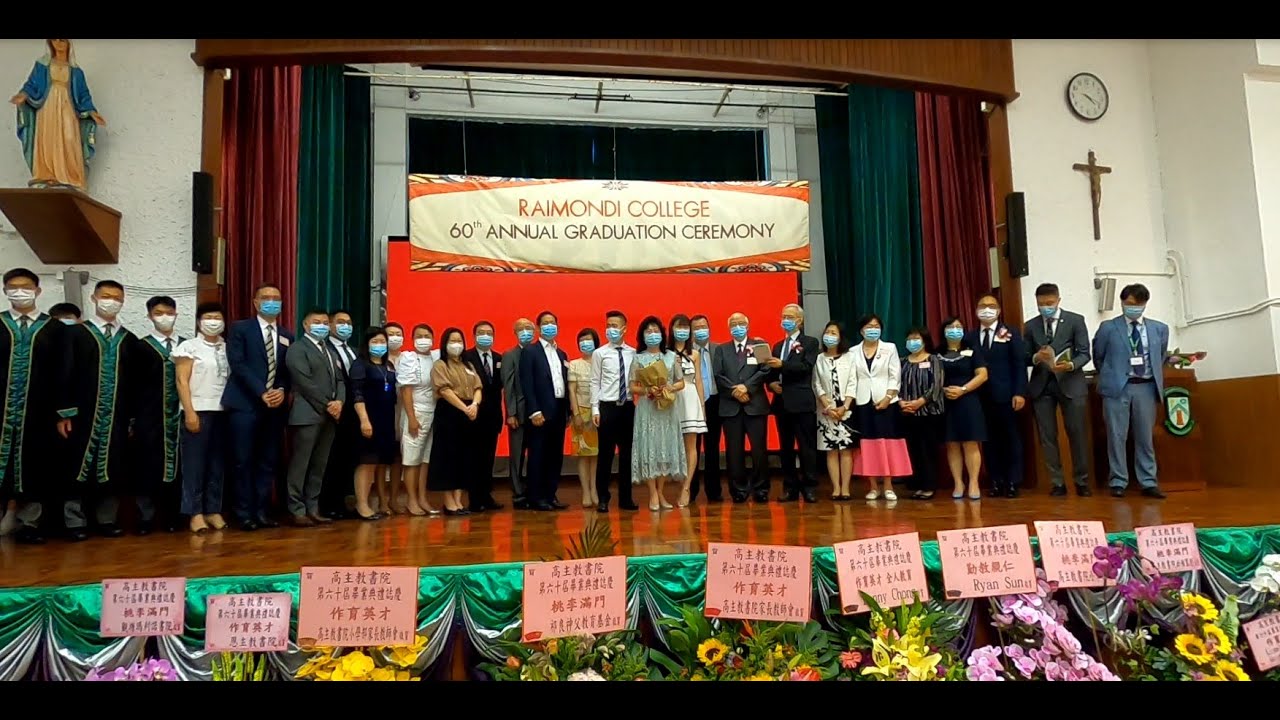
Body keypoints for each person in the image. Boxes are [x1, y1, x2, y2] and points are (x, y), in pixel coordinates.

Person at [0, 268, 74, 545]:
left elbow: (65, 371)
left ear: (37, 291)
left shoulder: (54, 329)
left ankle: (31, 521)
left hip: (40, 411)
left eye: (26, 286)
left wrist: (63, 413)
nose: (20, 291)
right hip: (3, 411)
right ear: (6, 290)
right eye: (13, 287)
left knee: (37, 466)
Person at [63, 279, 136, 540]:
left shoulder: (128, 340)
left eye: (117, 297)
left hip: (116, 415)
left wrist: (131, 419)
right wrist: (66, 412)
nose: (111, 301)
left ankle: (107, 519)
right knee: (76, 465)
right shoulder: (75, 335)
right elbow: (64, 374)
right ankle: (74, 521)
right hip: (83, 415)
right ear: (94, 298)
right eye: (106, 295)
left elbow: (134, 383)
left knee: (113, 467)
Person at [223, 282, 292, 531]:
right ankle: (243, 513)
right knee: (242, 460)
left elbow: (287, 370)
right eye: (266, 297)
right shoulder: (240, 329)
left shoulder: (287, 335)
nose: (272, 301)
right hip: (244, 404)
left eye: (276, 297)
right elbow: (238, 364)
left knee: (267, 461)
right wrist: (261, 392)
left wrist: (282, 390)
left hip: (274, 408)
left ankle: (262, 511)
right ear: (255, 302)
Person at [1093, 283, 1169, 499]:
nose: (1133, 308)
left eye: (1137, 305)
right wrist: (1112, 375)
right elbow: (1099, 355)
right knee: (1116, 436)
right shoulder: (1108, 328)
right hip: (1117, 388)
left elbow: (1160, 356)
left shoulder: (1159, 329)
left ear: (1145, 304)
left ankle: (1148, 482)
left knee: (1145, 437)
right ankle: (1118, 481)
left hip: (1145, 386)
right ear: (1122, 303)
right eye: (1128, 304)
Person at [1023, 283, 1093, 497]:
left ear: (1058, 300)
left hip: (1071, 382)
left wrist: (1070, 365)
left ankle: (1081, 481)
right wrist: (1036, 357)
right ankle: (1057, 482)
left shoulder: (1075, 320)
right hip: (1042, 385)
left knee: (1077, 433)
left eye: (1049, 303)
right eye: (1041, 304)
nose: (1045, 307)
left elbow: (1084, 353)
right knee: (1048, 436)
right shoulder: (1031, 325)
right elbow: (1025, 356)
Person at [9, 39, 106, 190]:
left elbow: (83, 94)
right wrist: (23, 95)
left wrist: (92, 112)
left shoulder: (76, 71)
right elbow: (31, 84)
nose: (58, 43)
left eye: (62, 40)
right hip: (47, 108)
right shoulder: (42, 66)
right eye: (54, 40)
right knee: (48, 138)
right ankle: (47, 176)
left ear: (68, 43)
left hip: (68, 108)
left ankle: (71, 177)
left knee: (69, 138)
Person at [172, 302, 230, 534]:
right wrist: (190, 411)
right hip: (197, 410)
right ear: (199, 321)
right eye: (208, 317)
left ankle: (213, 509)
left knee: (217, 464)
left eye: (217, 317)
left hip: (224, 411)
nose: (213, 321)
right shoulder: (189, 346)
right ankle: (194, 513)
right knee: (194, 465)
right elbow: (181, 380)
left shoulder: (228, 347)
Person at [284, 309, 345, 527]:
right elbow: (304, 382)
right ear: (305, 325)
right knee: (301, 464)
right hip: (307, 414)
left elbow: (339, 379)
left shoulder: (329, 350)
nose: (322, 326)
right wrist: (327, 404)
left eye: (325, 323)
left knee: (319, 464)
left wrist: (339, 401)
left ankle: (313, 507)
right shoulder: (298, 349)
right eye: (316, 322)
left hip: (330, 416)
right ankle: (296, 508)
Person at [131, 295, 186, 534]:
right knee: (146, 466)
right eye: (158, 313)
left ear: (176, 314)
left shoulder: (186, 345)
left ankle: (173, 515)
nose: (164, 317)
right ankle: (145, 517)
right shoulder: (140, 346)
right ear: (150, 316)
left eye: (168, 312)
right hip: (149, 417)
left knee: (179, 468)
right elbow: (131, 385)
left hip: (180, 416)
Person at [968, 294, 1028, 498]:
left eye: (991, 306)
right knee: (989, 441)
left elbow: (1019, 364)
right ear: (976, 310)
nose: (986, 309)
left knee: (1010, 439)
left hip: (1006, 395)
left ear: (999, 310)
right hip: (980, 397)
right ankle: (996, 481)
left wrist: (1019, 392)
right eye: (982, 306)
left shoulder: (1010, 332)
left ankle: (1012, 482)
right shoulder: (970, 336)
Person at [712, 312, 772, 503]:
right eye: (734, 324)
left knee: (759, 450)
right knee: (733, 451)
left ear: (748, 325)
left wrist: (747, 387)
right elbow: (718, 375)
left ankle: (761, 489)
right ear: (729, 328)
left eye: (741, 323)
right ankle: (738, 490)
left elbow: (766, 369)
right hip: (731, 407)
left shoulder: (760, 345)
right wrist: (735, 390)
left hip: (755, 405)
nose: (737, 327)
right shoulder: (721, 350)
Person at [851, 314, 912, 500]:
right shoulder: (853, 351)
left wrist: (888, 397)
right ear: (861, 330)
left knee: (887, 444)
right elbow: (852, 377)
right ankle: (872, 486)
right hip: (862, 401)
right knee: (867, 445)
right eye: (869, 326)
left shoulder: (889, 348)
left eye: (876, 326)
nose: (873, 329)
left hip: (887, 402)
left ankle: (888, 485)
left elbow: (896, 375)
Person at [629, 316, 686, 510]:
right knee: (649, 450)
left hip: (668, 409)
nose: (653, 335)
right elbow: (632, 387)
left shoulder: (671, 356)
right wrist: (647, 390)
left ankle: (661, 493)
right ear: (642, 335)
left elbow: (681, 381)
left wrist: (669, 387)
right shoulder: (638, 358)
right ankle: (652, 493)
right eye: (648, 331)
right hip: (647, 409)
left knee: (664, 451)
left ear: (662, 334)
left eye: (656, 331)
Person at [766, 303, 820, 504]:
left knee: (806, 446)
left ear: (799, 320)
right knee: (785, 448)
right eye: (783, 316)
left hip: (802, 402)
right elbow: (771, 373)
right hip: (782, 403)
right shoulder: (778, 346)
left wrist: (783, 365)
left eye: (789, 316)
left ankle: (810, 487)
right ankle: (790, 487)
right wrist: (771, 383)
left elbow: (806, 367)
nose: (785, 320)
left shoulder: (810, 342)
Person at [519, 310, 570, 512]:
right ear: (539, 327)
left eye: (553, 322)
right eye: (546, 323)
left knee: (555, 455)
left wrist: (567, 412)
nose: (550, 326)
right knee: (538, 454)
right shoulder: (530, 352)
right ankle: (536, 496)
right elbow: (527, 384)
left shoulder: (561, 354)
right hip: (540, 412)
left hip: (558, 410)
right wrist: (534, 411)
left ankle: (550, 494)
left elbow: (564, 383)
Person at [429, 328, 483, 515]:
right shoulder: (440, 365)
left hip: (470, 412)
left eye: (459, 340)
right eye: (452, 341)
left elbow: (478, 386)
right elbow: (444, 390)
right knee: (447, 457)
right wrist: (464, 408)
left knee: (465, 457)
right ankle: (449, 502)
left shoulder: (468, 364)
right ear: (445, 343)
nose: (456, 344)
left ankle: (459, 500)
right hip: (449, 413)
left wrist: (475, 404)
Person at [591, 310, 638, 513]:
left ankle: (626, 498)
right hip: (607, 407)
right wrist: (595, 408)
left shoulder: (634, 353)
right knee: (606, 455)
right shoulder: (599, 353)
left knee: (627, 455)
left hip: (627, 407)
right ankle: (603, 498)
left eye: (615, 325)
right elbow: (595, 381)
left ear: (624, 329)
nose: (611, 329)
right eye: (608, 325)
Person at [938, 317, 989, 500]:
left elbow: (982, 375)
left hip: (969, 400)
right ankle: (958, 482)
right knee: (952, 444)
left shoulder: (973, 351)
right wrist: (941, 389)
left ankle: (974, 482)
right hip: (945, 401)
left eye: (958, 327)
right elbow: (931, 377)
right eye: (950, 327)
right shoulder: (937, 353)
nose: (954, 330)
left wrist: (963, 390)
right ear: (944, 331)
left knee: (970, 443)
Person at [350, 328, 398, 520]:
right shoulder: (360, 364)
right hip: (368, 417)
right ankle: (361, 505)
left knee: (378, 462)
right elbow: (357, 393)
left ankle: (372, 503)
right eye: (375, 342)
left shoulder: (389, 366)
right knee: (366, 462)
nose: (379, 345)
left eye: (382, 342)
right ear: (367, 344)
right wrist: (364, 419)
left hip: (386, 419)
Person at [812, 321, 858, 501]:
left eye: (833, 332)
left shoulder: (850, 357)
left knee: (845, 450)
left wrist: (845, 406)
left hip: (846, 408)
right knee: (830, 450)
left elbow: (853, 382)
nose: (829, 335)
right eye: (827, 332)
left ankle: (846, 488)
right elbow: (816, 384)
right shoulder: (819, 358)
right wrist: (827, 406)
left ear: (840, 337)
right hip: (826, 408)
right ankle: (836, 488)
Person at [898, 327, 945, 500]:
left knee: (928, 450)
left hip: (929, 413)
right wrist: (902, 402)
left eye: (916, 338)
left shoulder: (934, 359)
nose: (913, 342)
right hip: (908, 414)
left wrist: (920, 402)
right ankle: (918, 485)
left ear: (925, 340)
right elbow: (896, 384)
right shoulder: (903, 361)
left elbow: (937, 385)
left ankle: (930, 486)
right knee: (914, 450)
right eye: (909, 338)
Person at [462, 321, 505, 512]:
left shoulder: (498, 358)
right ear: (474, 336)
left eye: (489, 333)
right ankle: (474, 498)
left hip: (493, 417)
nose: (485, 336)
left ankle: (486, 496)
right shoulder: (466, 357)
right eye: (481, 333)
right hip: (473, 416)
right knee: (473, 459)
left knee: (488, 460)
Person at [396, 323, 438, 515]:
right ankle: (411, 500)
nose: (423, 339)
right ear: (413, 339)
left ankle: (422, 498)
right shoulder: (408, 358)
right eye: (419, 336)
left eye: (427, 335)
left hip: (433, 412)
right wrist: (412, 418)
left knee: (425, 458)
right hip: (416, 411)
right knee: (411, 458)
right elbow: (406, 390)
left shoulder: (435, 357)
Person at [321, 308, 359, 519]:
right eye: (341, 322)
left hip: (353, 412)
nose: (346, 326)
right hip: (332, 411)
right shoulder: (324, 348)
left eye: (349, 322)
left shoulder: (354, 350)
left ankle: (344, 502)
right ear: (330, 325)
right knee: (330, 459)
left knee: (348, 459)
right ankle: (328, 504)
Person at [669, 314, 706, 508]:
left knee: (691, 447)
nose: (682, 331)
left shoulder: (695, 354)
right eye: (678, 327)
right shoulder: (666, 353)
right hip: (672, 401)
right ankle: (668, 487)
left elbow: (699, 381)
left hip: (690, 399)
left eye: (685, 327)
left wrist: (702, 406)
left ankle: (686, 487)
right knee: (674, 446)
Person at [502, 318, 535, 509]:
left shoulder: (538, 353)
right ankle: (517, 492)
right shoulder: (510, 355)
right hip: (519, 414)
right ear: (515, 333)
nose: (525, 332)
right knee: (517, 455)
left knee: (535, 454)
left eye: (529, 328)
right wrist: (511, 413)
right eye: (521, 329)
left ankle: (532, 489)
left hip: (537, 414)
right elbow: (508, 386)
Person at [689, 314, 723, 503]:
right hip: (693, 403)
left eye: (704, 326)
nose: (700, 330)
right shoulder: (685, 352)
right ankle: (691, 490)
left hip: (715, 402)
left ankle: (714, 490)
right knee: (692, 447)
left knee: (713, 447)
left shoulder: (720, 350)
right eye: (696, 328)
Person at [569, 328, 600, 508]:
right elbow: (572, 390)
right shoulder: (574, 364)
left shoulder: (600, 362)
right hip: (580, 410)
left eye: (588, 340)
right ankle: (586, 492)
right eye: (581, 340)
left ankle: (594, 489)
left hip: (597, 412)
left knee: (595, 454)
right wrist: (576, 413)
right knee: (582, 454)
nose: (585, 343)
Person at [378, 321, 406, 513]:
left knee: (398, 459)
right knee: (381, 460)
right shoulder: (378, 359)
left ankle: (394, 499)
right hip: (383, 413)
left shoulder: (407, 358)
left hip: (403, 412)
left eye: (398, 333)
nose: (395, 337)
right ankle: (381, 500)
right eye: (391, 334)